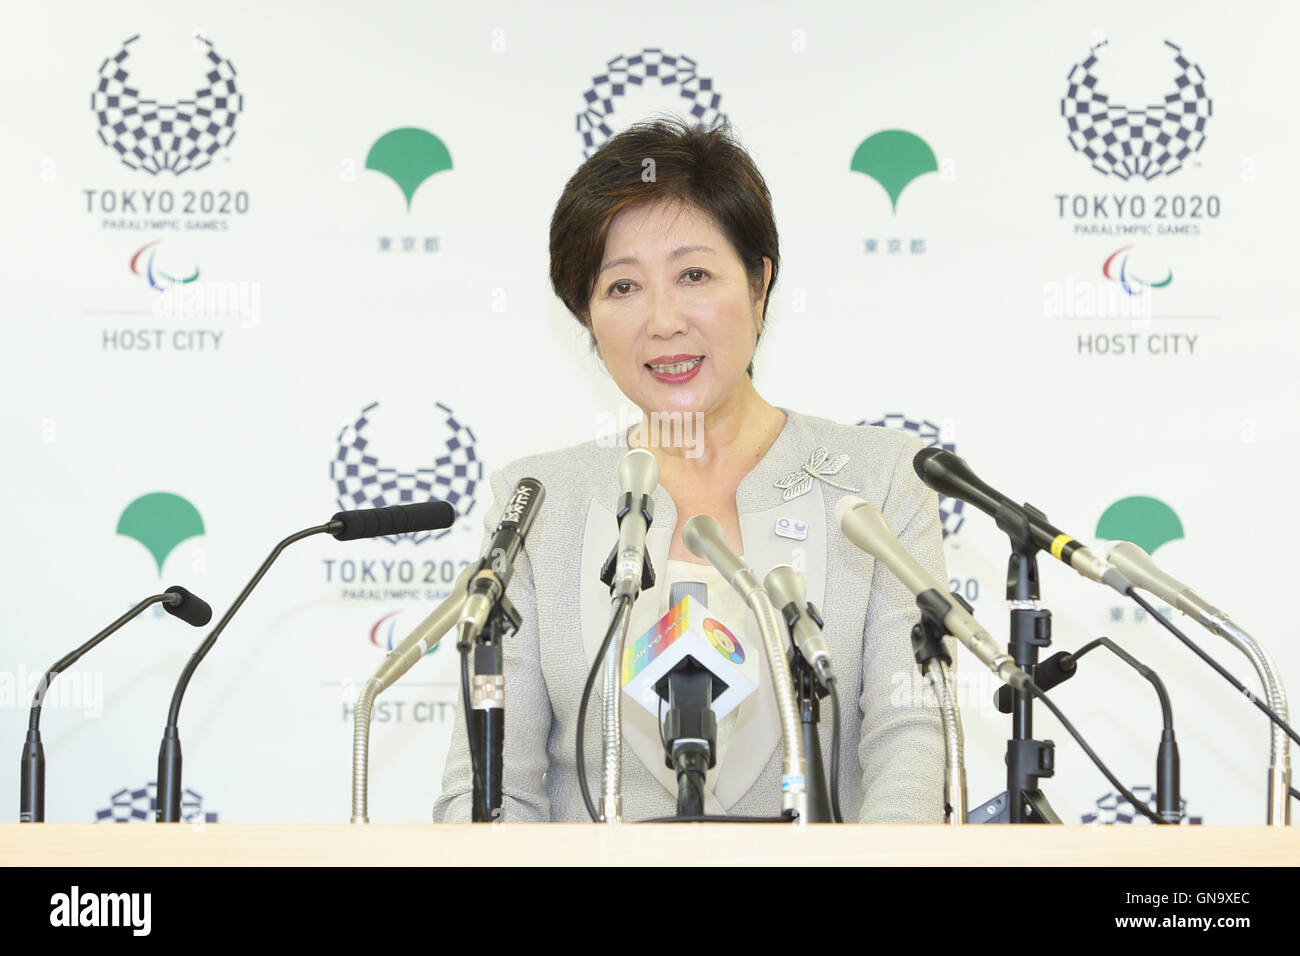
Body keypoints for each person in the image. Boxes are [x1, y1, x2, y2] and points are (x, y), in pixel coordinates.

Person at [432, 116, 951, 823]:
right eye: (623, 288)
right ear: (586, 316)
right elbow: (492, 790)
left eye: (695, 275)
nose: (664, 320)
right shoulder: (537, 502)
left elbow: (911, 750)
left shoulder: (878, 482)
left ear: (761, 283)